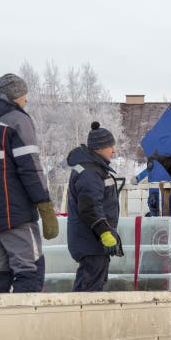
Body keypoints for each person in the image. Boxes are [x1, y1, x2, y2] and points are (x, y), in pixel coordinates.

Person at [0, 73, 59, 293]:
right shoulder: (18, 120)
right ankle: (24, 325)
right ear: (16, 95)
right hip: (17, 214)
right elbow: (30, 166)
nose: (26, 99)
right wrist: (45, 205)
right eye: (24, 94)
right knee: (30, 269)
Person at [67, 122, 123, 292]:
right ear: (99, 148)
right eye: (110, 146)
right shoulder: (90, 172)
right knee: (88, 290)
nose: (113, 150)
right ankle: (79, 318)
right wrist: (105, 232)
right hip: (91, 242)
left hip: (92, 242)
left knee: (93, 284)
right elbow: (90, 207)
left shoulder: (93, 168)